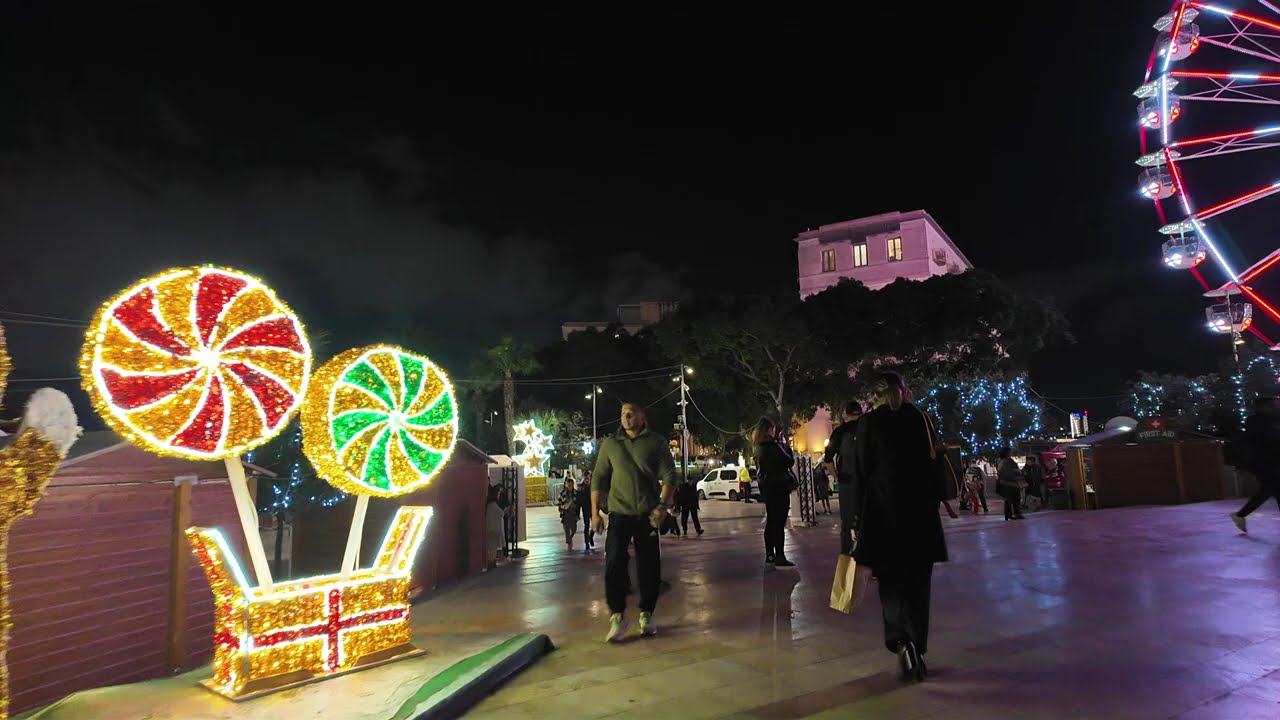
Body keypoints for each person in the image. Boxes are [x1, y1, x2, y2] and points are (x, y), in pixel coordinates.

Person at [852, 371, 948, 682]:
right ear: (904, 390)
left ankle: (902, 643)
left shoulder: (869, 423)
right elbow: (934, 464)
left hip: (884, 515)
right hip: (921, 515)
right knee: (919, 584)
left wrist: (856, 519)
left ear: (876, 395)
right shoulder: (921, 418)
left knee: (892, 584)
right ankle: (917, 645)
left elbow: (862, 473)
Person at [592, 402, 678, 642]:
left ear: (642, 417)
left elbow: (670, 475)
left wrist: (662, 506)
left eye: (631, 413)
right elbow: (598, 478)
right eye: (623, 413)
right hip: (619, 513)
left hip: (647, 513)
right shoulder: (611, 444)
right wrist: (595, 513)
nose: (626, 417)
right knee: (614, 560)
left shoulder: (656, 442)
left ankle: (646, 614)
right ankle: (617, 615)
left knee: (649, 565)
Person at [1232, 396, 1280, 533]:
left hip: (1273, 462)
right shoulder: (1254, 421)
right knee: (1272, 488)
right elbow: (1267, 439)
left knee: (1269, 490)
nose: (1274, 407)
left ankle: (1240, 515)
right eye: (1271, 405)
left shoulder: (1273, 420)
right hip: (1263, 463)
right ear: (1261, 407)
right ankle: (1240, 515)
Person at [753, 417, 796, 568]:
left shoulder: (759, 447)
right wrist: (788, 448)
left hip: (767, 488)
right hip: (779, 487)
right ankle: (780, 556)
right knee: (778, 522)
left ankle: (770, 554)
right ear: (768, 430)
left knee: (771, 521)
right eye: (772, 429)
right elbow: (789, 461)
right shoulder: (773, 446)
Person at [826, 402, 863, 555]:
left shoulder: (840, 432)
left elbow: (828, 459)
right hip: (868, 482)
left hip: (847, 482)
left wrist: (836, 477)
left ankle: (846, 556)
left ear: (845, 414)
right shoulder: (868, 428)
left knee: (847, 523)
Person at [996, 448, 1025, 520]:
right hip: (1008, 483)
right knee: (1010, 499)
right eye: (1010, 452)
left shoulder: (1007, 461)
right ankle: (1010, 514)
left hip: (1012, 483)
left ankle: (1015, 513)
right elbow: (1006, 472)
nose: (1011, 453)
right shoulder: (1004, 462)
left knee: (1015, 499)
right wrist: (1017, 473)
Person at [559, 476, 580, 549]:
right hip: (565, 513)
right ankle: (569, 543)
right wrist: (563, 508)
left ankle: (570, 538)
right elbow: (559, 503)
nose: (570, 486)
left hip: (573, 513)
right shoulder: (562, 493)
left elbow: (578, 504)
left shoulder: (576, 493)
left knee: (574, 528)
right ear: (566, 485)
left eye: (571, 485)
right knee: (566, 529)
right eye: (569, 485)